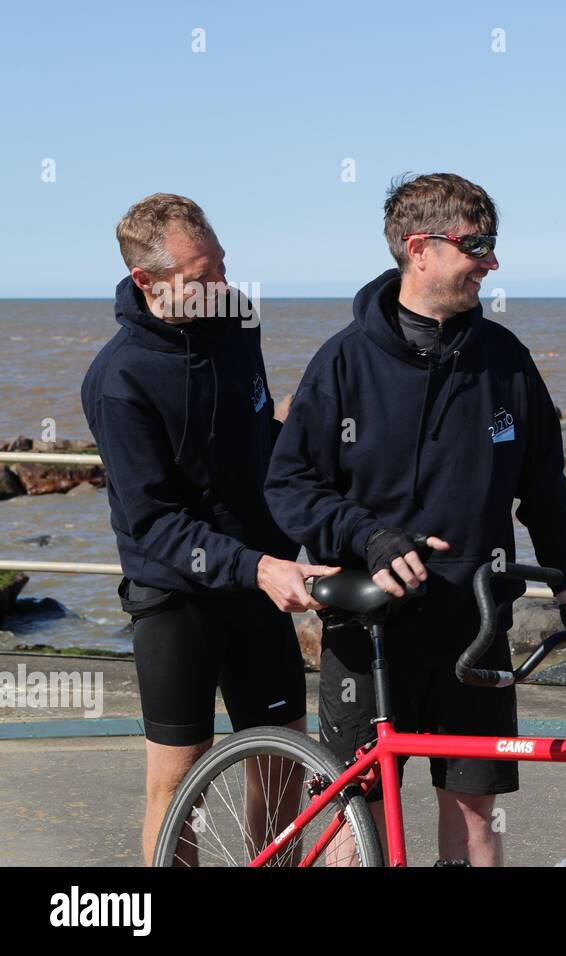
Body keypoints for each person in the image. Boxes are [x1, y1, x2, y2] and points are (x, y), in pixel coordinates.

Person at [265, 172, 566, 867]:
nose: (491, 262)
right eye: (478, 245)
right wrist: (369, 536)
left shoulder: (506, 361)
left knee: (475, 816)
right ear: (420, 248)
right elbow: (288, 485)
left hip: (475, 624)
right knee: (360, 817)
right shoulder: (342, 363)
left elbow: (545, 487)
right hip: (368, 626)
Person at [80, 194, 335, 863]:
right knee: (176, 786)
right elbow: (152, 522)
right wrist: (258, 566)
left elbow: (256, 433)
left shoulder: (237, 320)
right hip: (176, 594)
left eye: (223, 266)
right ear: (149, 283)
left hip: (257, 581)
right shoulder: (118, 381)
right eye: (203, 278)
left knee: (283, 761)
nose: (223, 287)